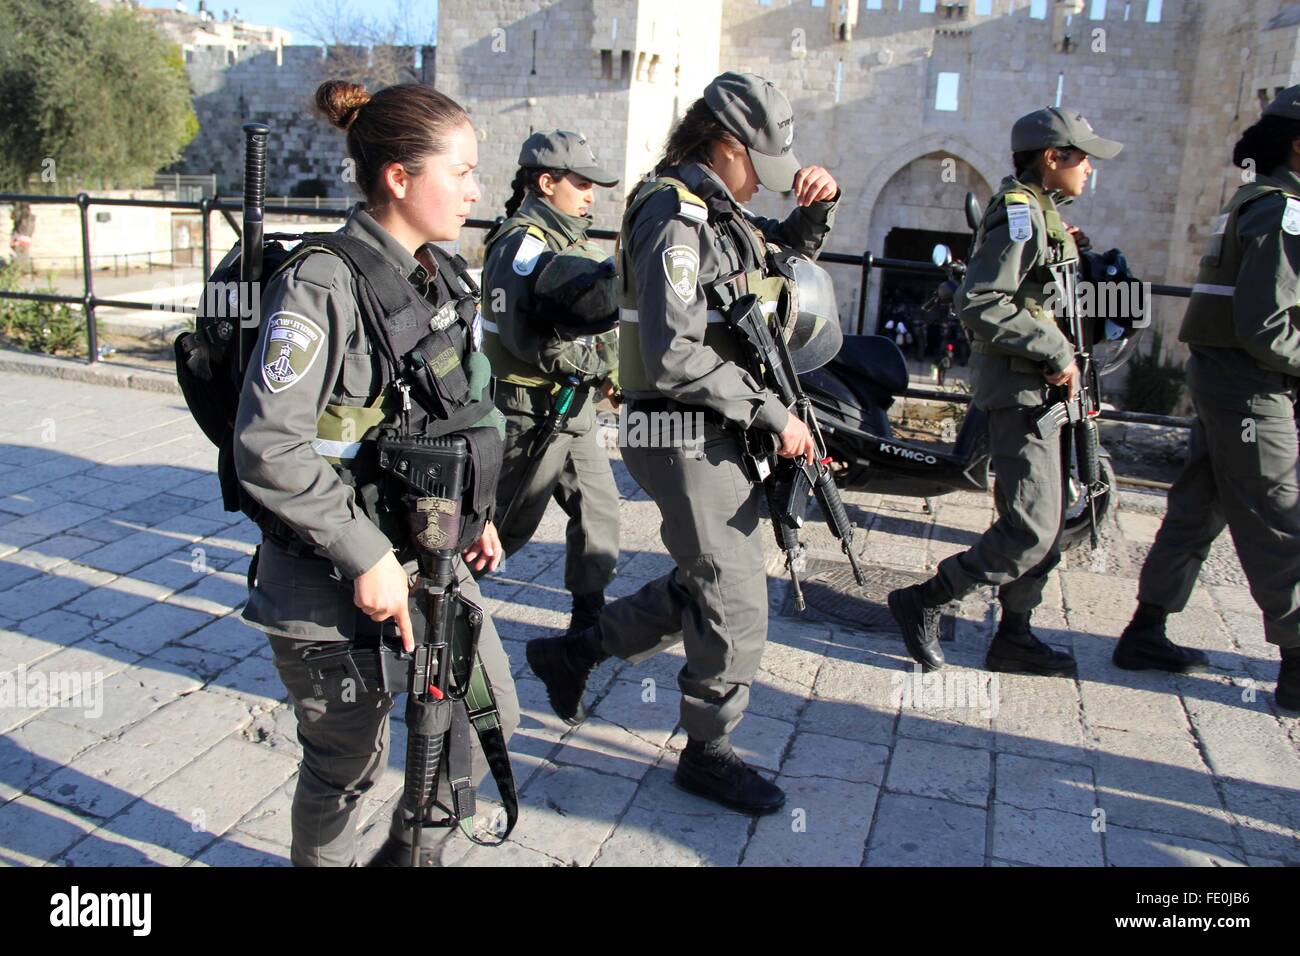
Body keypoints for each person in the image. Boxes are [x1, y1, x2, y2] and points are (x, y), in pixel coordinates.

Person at [525, 72, 837, 815]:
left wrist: (813, 217)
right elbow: (670, 353)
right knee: (735, 596)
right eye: (755, 164)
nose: (761, 183)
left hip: (710, 422)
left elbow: (753, 275)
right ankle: (707, 751)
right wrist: (773, 414)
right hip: (677, 426)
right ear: (726, 145)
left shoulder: (712, 207)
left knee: (708, 581)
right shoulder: (674, 212)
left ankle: (575, 651)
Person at [233, 79, 520, 866]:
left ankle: (408, 856)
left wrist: (477, 509)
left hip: (431, 555)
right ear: (400, 177)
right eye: (458, 172)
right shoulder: (320, 283)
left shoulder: (441, 275)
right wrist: (366, 556)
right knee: (344, 765)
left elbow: (457, 410)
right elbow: (268, 446)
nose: (474, 190)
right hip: (325, 572)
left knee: (476, 717)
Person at [888, 106, 1131, 676]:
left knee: (1060, 515)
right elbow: (981, 300)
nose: (1090, 166)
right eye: (1082, 155)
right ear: (1052, 157)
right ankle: (925, 600)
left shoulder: (1043, 214)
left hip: (1053, 391)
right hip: (1026, 392)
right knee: (1029, 525)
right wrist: (1054, 352)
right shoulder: (1020, 212)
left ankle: (1016, 631)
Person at [1115, 86, 1300, 705]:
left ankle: (1147, 629)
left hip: (1221, 383)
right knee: (1279, 518)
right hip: (1251, 389)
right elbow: (1270, 324)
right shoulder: (1284, 211)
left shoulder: (1250, 201)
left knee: (1198, 507)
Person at [480, 130, 622, 635]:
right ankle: (433, 598)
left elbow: (594, 324)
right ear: (546, 182)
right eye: (582, 182)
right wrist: (597, 367)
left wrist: (608, 375)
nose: (591, 194)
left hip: (572, 407)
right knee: (501, 525)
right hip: (530, 410)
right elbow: (528, 339)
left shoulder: (570, 237)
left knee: (600, 515)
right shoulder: (523, 244)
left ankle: (585, 630)